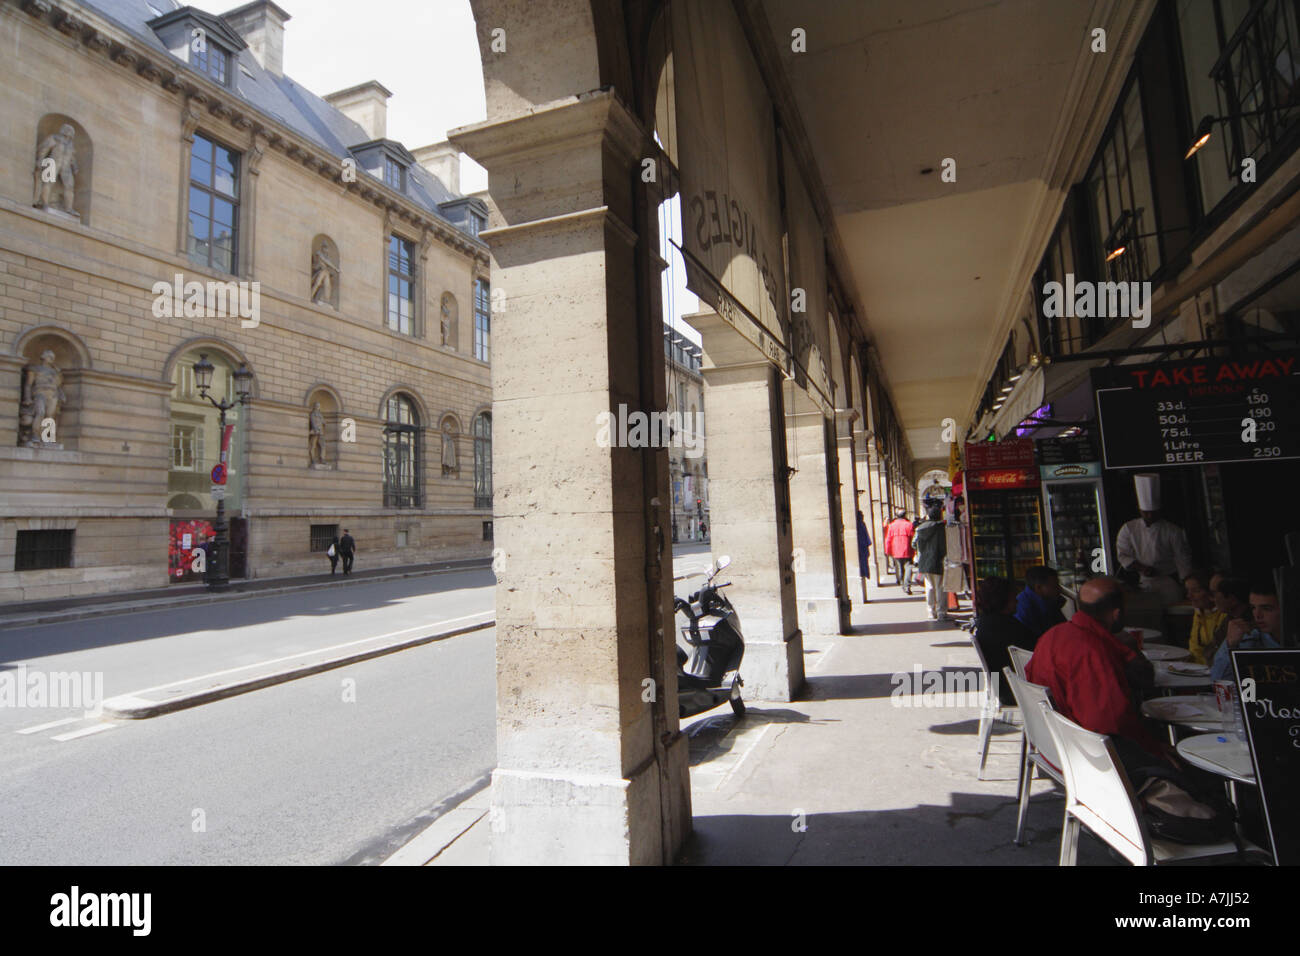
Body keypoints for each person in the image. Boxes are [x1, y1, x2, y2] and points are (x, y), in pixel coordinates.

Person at [1025, 576, 1170, 770]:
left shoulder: (1052, 635)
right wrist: (1156, 750)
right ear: (1117, 614)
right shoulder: (1093, 651)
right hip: (1089, 757)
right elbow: (1109, 723)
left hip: (1053, 744)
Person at [1115, 473, 1193, 606]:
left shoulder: (1172, 530)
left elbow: (1182, 558)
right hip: (1144, 582)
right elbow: (1123, 555)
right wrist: (1142, 568)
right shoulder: (1129, 528)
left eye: (1153, 512)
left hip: (1169, 581)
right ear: (1140, 510)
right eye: (1146, 512)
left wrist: (1187, 584)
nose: (1150, 515)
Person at [973, 576, 1035, 705]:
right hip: (1015, 690)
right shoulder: (1008, 627)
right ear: (1002, 600)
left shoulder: (986, 621)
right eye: (1013, 598)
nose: (1017, 602)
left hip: (1003, 686)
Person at [1210, 577, 1281, 681]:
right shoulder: (1248, 637)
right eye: (1253, 608)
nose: (1257, 615)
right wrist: (1230, 645)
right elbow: (1218, 680)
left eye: (1266, 609)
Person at [912, 502, 948, 620]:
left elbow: (914, 544)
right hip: (939, 559)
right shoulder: (942, 528)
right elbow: (944, 545)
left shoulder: (920, 528)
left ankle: (931, 611)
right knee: (940, 587)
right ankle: (941, 612)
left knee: (929, 586)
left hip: (925, 561)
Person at [1184, 569, 1225, 665]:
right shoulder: (1199, 612)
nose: (1189, 596)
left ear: (1211, 593)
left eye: (1195, 591)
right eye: (1188, 591)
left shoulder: (1225, 614)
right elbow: (1195, 648)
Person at [1013, 565, 1066, 638]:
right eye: (1054, 586)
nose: (1059, 589)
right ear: (1038, 588)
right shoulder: (1024, 609)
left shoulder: (1047, 600)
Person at [883, 509, 915, 594]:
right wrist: (914, 549)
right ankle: (907, 585)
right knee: (908, 567)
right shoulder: (909, 525)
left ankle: (901, 581)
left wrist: (887, 550)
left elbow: (888, 539)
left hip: (895, 549)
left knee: (899, 567)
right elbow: (913, 538)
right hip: (907, 549)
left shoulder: (892, 526)